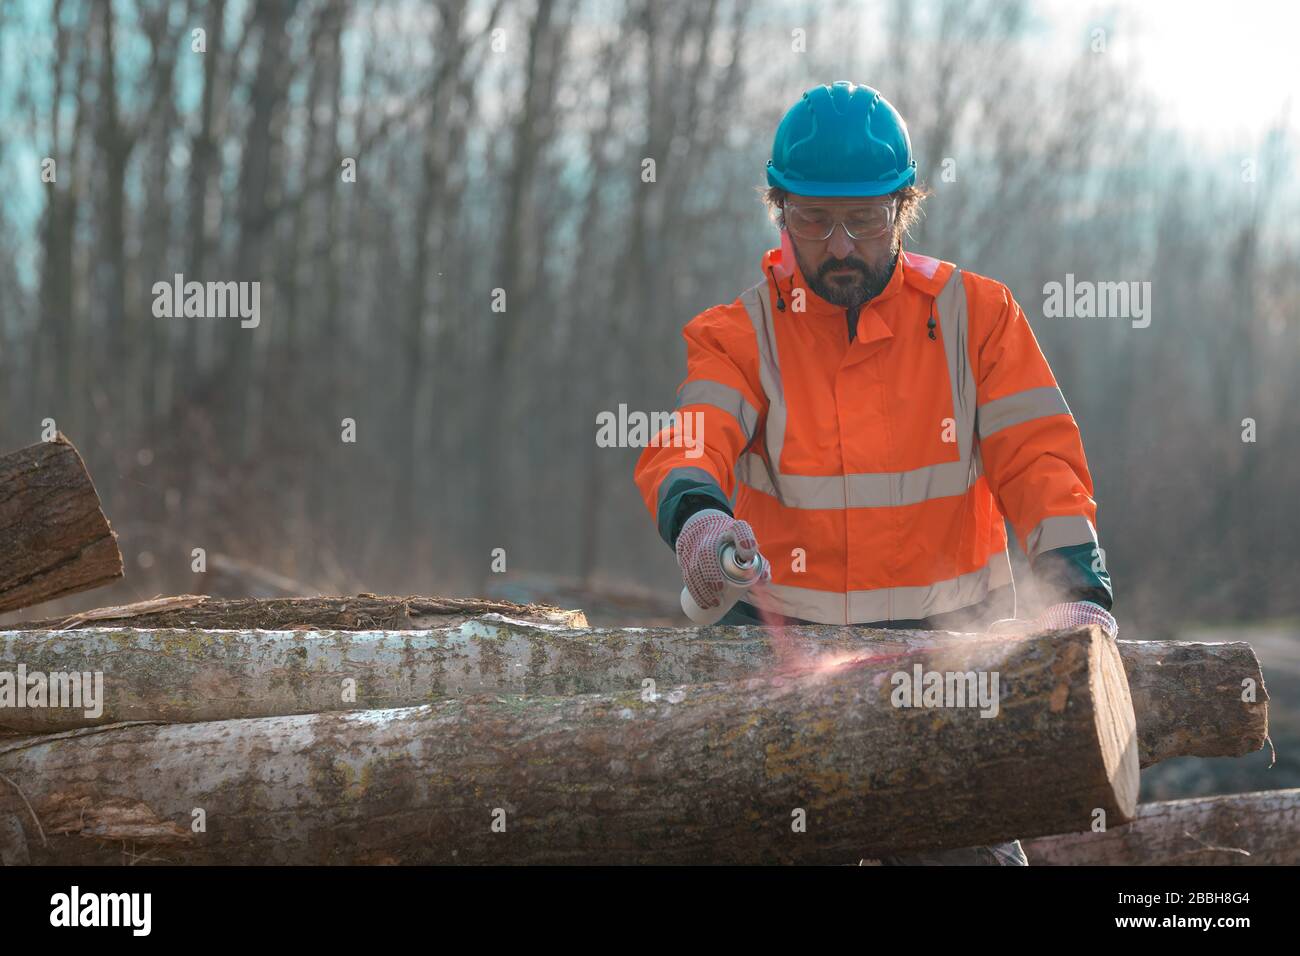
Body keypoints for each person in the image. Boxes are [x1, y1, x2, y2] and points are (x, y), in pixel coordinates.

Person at [633, 81, 1117, 866]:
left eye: (864, 219)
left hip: (954, 666)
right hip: (783, 671)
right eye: (814, 221)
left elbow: (1039, 461)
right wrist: (698, 519)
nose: (841, 244)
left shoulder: (978, 317)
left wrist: (1079, 593)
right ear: (779, 211)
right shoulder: (740, 333)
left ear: (904, 208)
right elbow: (693, 437)